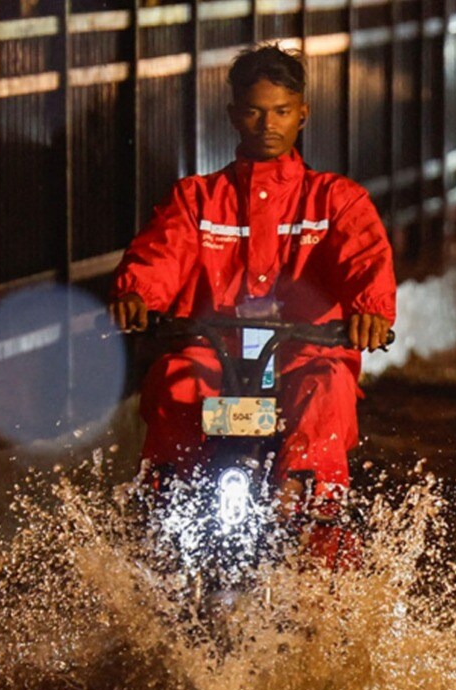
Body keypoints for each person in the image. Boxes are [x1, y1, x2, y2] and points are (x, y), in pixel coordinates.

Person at [110, 44, 396, 524]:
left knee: (326, 392)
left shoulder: (336, 200)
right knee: (175, 383)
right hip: (211, 354)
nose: (268, 124)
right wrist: (136, 294)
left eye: (281, 111)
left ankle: (307, 519)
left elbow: (364, 258)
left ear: (302, 114)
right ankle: (165, 516)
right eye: (254, 112)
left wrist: (371, 310)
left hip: (306, 355)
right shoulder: (197, 199)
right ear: (233, 115)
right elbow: (161, 253)